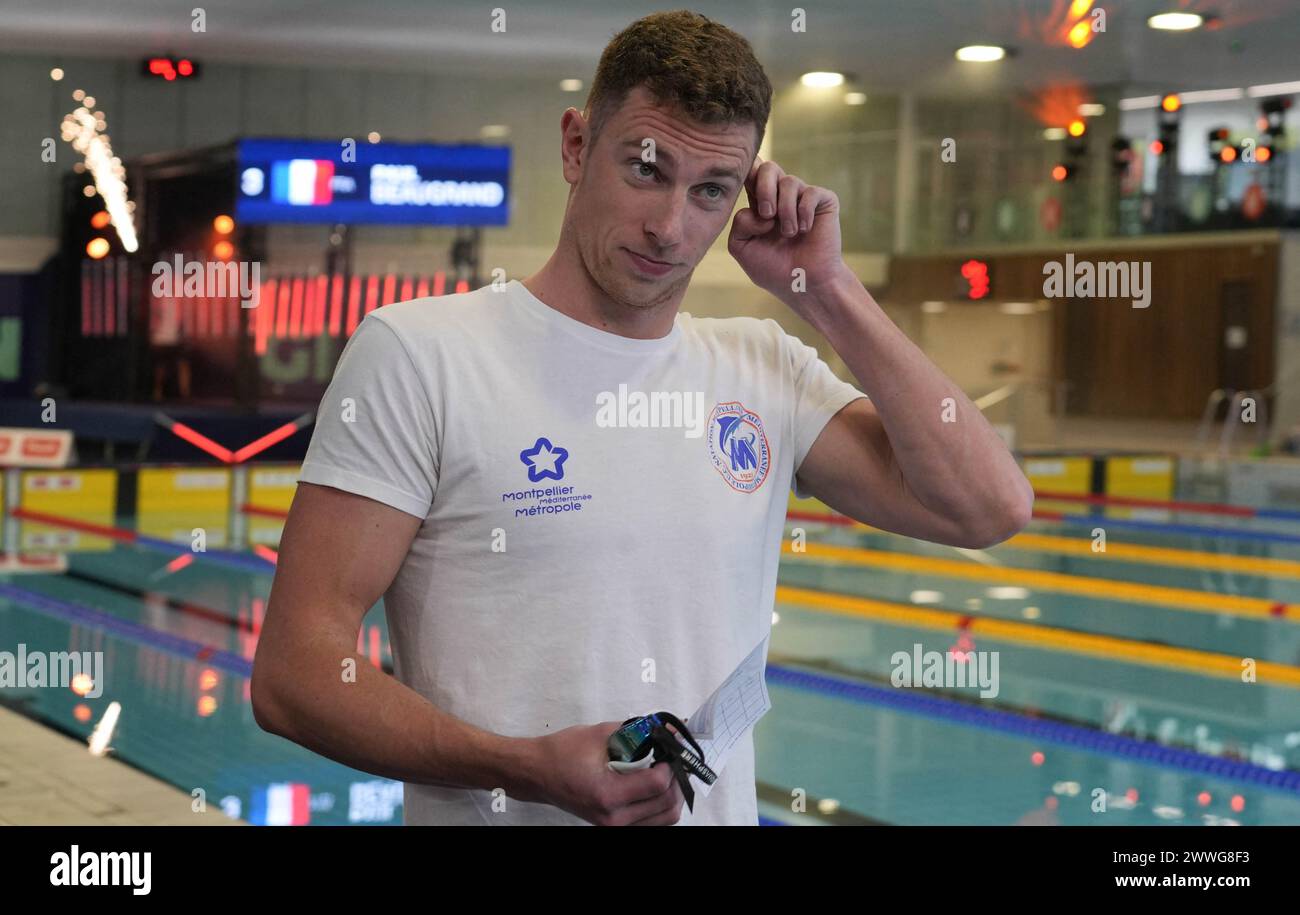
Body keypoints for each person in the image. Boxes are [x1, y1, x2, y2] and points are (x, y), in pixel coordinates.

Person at [251, 9, 1033, 826]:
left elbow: (988, 506)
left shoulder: (762, 366)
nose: (671, 226)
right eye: (647, 169)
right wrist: (524, 767)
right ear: (576, 146)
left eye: (710, 192)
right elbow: (296, 672)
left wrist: (828, 292)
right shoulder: (421, 355)